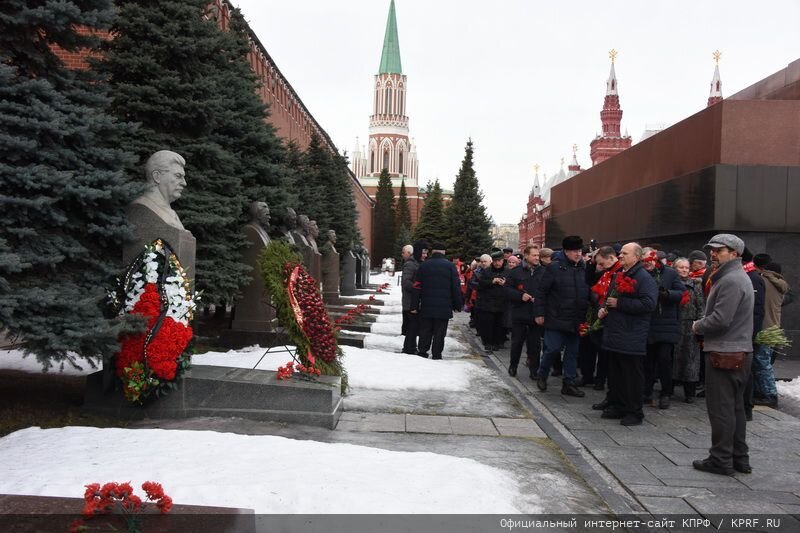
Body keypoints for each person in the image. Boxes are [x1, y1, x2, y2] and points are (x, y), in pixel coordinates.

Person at [692, 234, 754, 476]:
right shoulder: (736, 277)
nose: (713, 254)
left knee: (721, 410)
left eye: (720, 250)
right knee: (735, 408)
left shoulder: (731, 280)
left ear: (735, 253)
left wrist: (697, 326)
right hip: (735, 351)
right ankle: (739, 458)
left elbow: (720, 319)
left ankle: (721, 459)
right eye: (712, 250)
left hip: (725, 353)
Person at [597, 243, 658, 426]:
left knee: (631, 375)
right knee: (616, 373)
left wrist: (620, 304)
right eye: (620, 252)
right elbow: (609, 298)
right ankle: (617, 404)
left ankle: (634, 411)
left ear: (636, 256)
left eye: (625, 253)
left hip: (631, 335)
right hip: (616, 333)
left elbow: (649, 304)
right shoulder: (620, 274)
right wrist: (603, 308)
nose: (620, 255)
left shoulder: (643, 278)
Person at [533, 236, 590, 397]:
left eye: (579, 251)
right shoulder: (554, 268)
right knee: (552, 349)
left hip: (576, 318)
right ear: (566, 251)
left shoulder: (583, 268)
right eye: (574, 251)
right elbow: (541, 292)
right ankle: (542, 374)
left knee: (573, 352)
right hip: (556, 317)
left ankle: (569, 383)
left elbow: (588, 290)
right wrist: (539, 313)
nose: (578, 254)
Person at [642, 249, 685, 410]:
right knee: (648, 360)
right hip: (648, 323)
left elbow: (681, 294)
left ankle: (666, 392)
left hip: (666, 324)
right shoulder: (642, 273)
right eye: (644, 260)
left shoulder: (670, 274)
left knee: (664, 359)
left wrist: (666, 294)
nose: (647, 263)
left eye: (650, 260)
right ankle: (646, 391)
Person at [412, 243, 462, 360]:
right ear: (444, 252)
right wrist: (457, 304)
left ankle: (423, 351)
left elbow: (417, 286)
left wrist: (414, 305)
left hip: (426, 305)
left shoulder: (424, 266)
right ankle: (437, 354)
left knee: (425, 330)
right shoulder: (450, 267)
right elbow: (456, 287)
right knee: (440, 332)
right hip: (444, 307)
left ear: (432, 252)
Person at [752, 253, 789, 407]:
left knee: (762, 363)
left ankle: (769, 395)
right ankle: (763, 392)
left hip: (764, 327)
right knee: (762, 362)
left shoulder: (763, 281)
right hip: (773, 327)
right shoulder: (779, 282)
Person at [505, 245, 544, 377]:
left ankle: (534, 370)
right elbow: (507, 290)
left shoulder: (543, 271)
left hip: (536, 314)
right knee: (517, 342)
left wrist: (539, 300)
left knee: (535, 345)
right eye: (534, 255)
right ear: (526, 256)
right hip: (520, 313)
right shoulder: (515, 272)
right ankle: (513, 366)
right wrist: (520, 296)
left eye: (538, 255)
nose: (537, 258)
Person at [672, 257, 704, 403]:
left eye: (686, 267)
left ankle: (689, 392)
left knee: (691, 360)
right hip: (674, 324)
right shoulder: (671, 283)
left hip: (690, 326)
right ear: (675, 268)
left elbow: (700, 306)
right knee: (673, 359)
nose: (684, 270)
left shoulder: (695, 285)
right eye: (681, 267)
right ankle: (669, 388)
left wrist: (699, 325)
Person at [131, 150, 187, 229]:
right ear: (157, 176)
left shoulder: (171, 213)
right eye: (178, 176)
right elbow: (151, 241)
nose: (184, 183)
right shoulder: (142, 208)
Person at [475, 251, 508, 352]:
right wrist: (492, 282)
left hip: (502, 303)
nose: (498, 263)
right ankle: (488, 343)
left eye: (500, 261)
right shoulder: (487, 271)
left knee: (499, 324)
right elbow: (480, 285)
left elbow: (513, 285)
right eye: (496, 261)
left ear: (503, 261)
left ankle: (498, 342)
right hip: (488, 303)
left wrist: (505, 283)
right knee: (488, 324)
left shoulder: (507, 271)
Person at [401, 242, 425, 354]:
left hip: (414, 300)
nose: (425, 255)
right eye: (423, 252)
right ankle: (408, 348)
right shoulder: (410, 264)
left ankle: (410, 347)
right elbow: (406, 282)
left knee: (414, 326)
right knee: (412, 325)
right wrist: (418, 288)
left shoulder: (416, 263)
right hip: (410, 301)